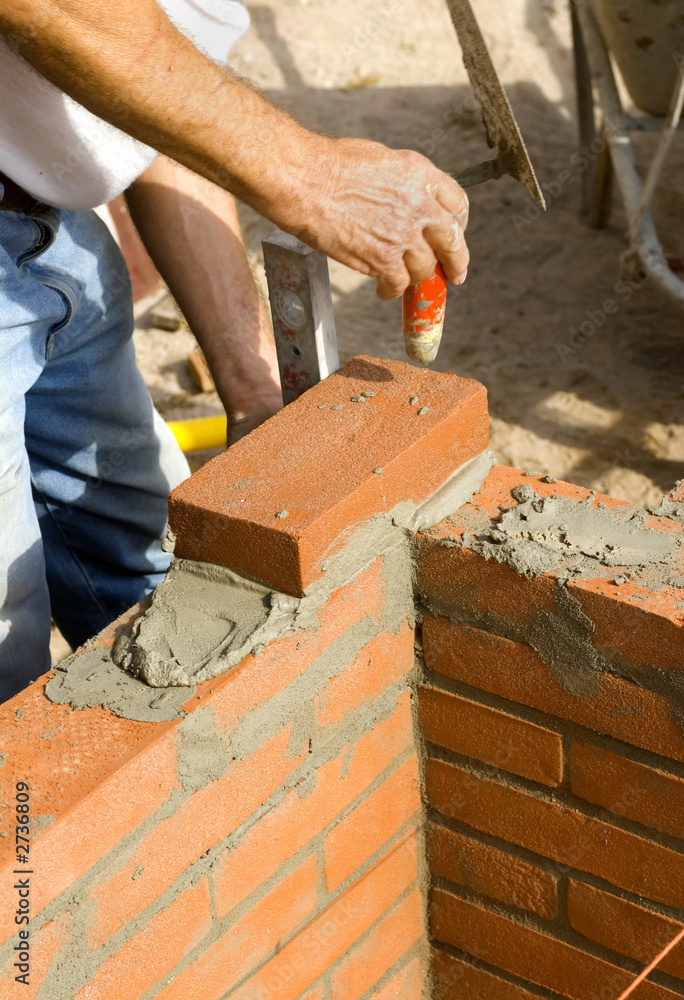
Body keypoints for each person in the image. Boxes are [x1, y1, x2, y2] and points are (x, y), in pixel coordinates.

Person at [0, 0, 470, 702]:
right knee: (8, 646)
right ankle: (32, 807)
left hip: (48, 228)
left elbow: (158, 104)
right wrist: (310, 175)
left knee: (153, 572)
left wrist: (253, 394)